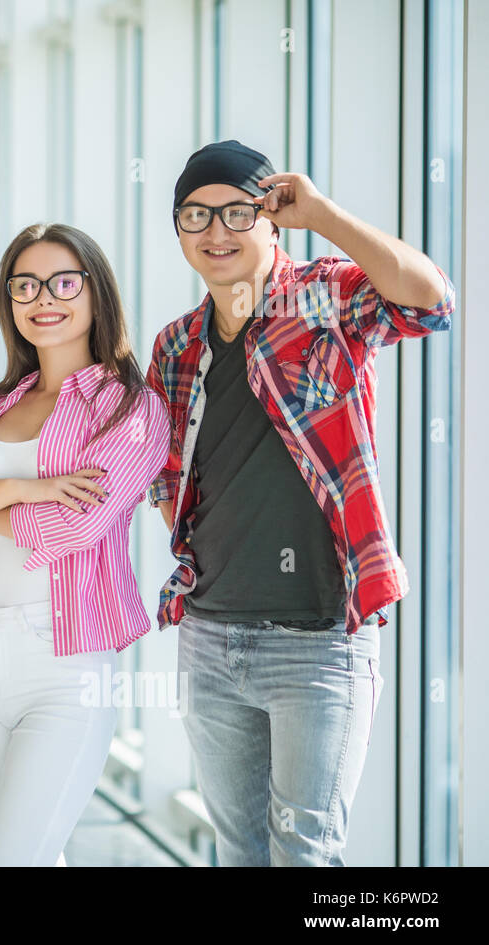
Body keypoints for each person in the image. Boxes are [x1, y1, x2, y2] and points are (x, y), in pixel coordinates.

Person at [145, 140, 455, 866]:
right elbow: (164, 473)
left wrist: (324, 214)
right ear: (179, 230)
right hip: (211, 636)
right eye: (195, 215)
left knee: (306, 853)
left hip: (319, 640)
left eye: (234, 212)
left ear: (272, 221)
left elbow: (430, 300)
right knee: (239, 850)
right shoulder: (176, 348)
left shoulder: (323, 298)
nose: (215, 231)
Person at [0, 223, 170, 866]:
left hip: (65, 665)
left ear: (96, 294)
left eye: (62, 282)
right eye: (25, 285)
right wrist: (31, 485)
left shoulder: (129, 409)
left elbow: (70, 529)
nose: (42, 297)